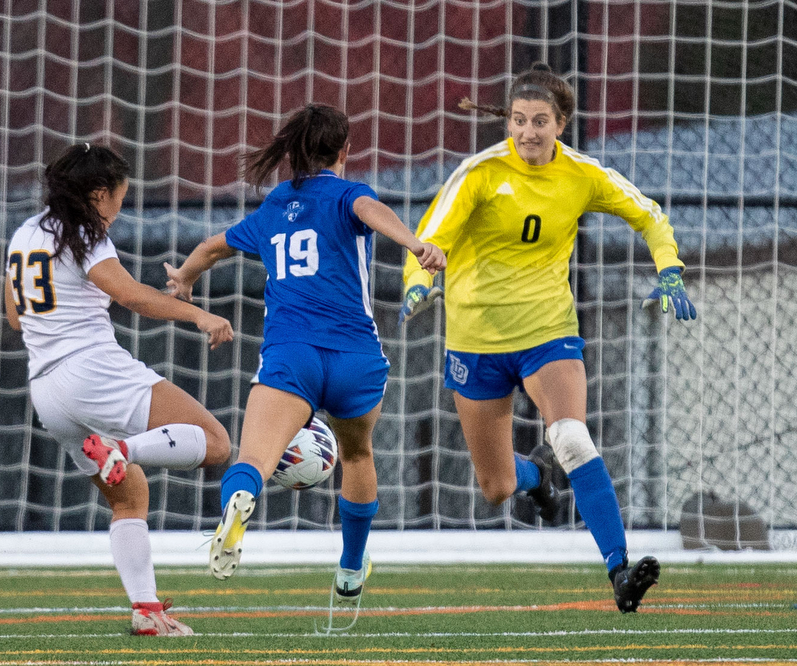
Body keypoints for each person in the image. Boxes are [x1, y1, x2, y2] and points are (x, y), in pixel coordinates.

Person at [399, 62, 696, 613]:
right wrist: (418, 285)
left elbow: (650, 216)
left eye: (540, 121)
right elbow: (426, 240)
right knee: (495, 487)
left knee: (573, 438)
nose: (528, 132)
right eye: (518, 121)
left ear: (562, 124)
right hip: (476, 340)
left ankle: (619, 571)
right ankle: (535, 479)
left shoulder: (582, 174)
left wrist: (669, 268)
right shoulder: (479, 173)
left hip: (548, 332)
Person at [164, 103, 445, 631]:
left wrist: (183, 278)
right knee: (358, 454)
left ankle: (241, 502)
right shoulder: (347, 192)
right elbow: (370, 212)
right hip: (356, 359)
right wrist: (414, 243)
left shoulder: (274, 206)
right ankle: (349, 569)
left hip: (292, 355)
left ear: (293, 152)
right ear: (344, 152)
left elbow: (210, 247)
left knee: (252, 459)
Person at [4, 143, 235, 636]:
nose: (118, 212)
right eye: (119, 201)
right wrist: (199, 314)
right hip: (91, 370)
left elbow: (14, 317)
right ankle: (121, 447)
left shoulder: (24, 235)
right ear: (98, 194)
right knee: (216, 443)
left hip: (46, 389)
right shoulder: (83, 233)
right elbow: (129, 295)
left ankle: (147, 612)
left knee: (128, 499)